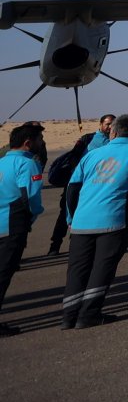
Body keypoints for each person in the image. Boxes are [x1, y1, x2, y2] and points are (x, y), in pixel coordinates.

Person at [62, 114, 128, 329]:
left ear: (112, 131)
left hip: (81, 222)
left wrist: (71, 217)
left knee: (77, 268)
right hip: (114, 221)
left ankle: (68, 316)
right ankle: (89, 314)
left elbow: (72, 188)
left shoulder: (91, 155)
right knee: (102, 267)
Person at [46, 113, 114, 256]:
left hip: (97, 186)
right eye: (107, 124)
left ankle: (76, 245)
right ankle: (55, 245)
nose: (109, 127)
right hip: (77, 183)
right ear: (101, 124)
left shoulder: (114, 142)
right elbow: (73, 158)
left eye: (112, 124)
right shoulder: (87, 139)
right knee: (65, 213)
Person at [1, 125, 46, 335]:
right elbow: (32, 199)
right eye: (40, 139)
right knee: (3, 274)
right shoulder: (28, 164)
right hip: (12, 226)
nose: (42, 143)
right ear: (28, 142)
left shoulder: (2, 162)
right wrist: (30, 219)